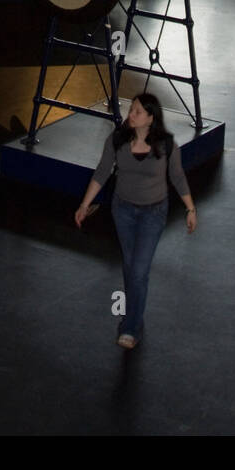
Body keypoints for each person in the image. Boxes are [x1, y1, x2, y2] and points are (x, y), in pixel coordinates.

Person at [75, 93, 195, 349]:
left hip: (154, 213)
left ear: (151, 118)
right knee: (131, 268)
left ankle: (130, 327)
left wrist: (190, 208)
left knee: (138, 271)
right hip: (124, 211)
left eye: (138, 112)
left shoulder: (166, 145)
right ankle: (135, 319)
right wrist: (85, 205)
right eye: (132, 110)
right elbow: (102, 172)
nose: (132, 115)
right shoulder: (117, 140)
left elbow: (178, 177)